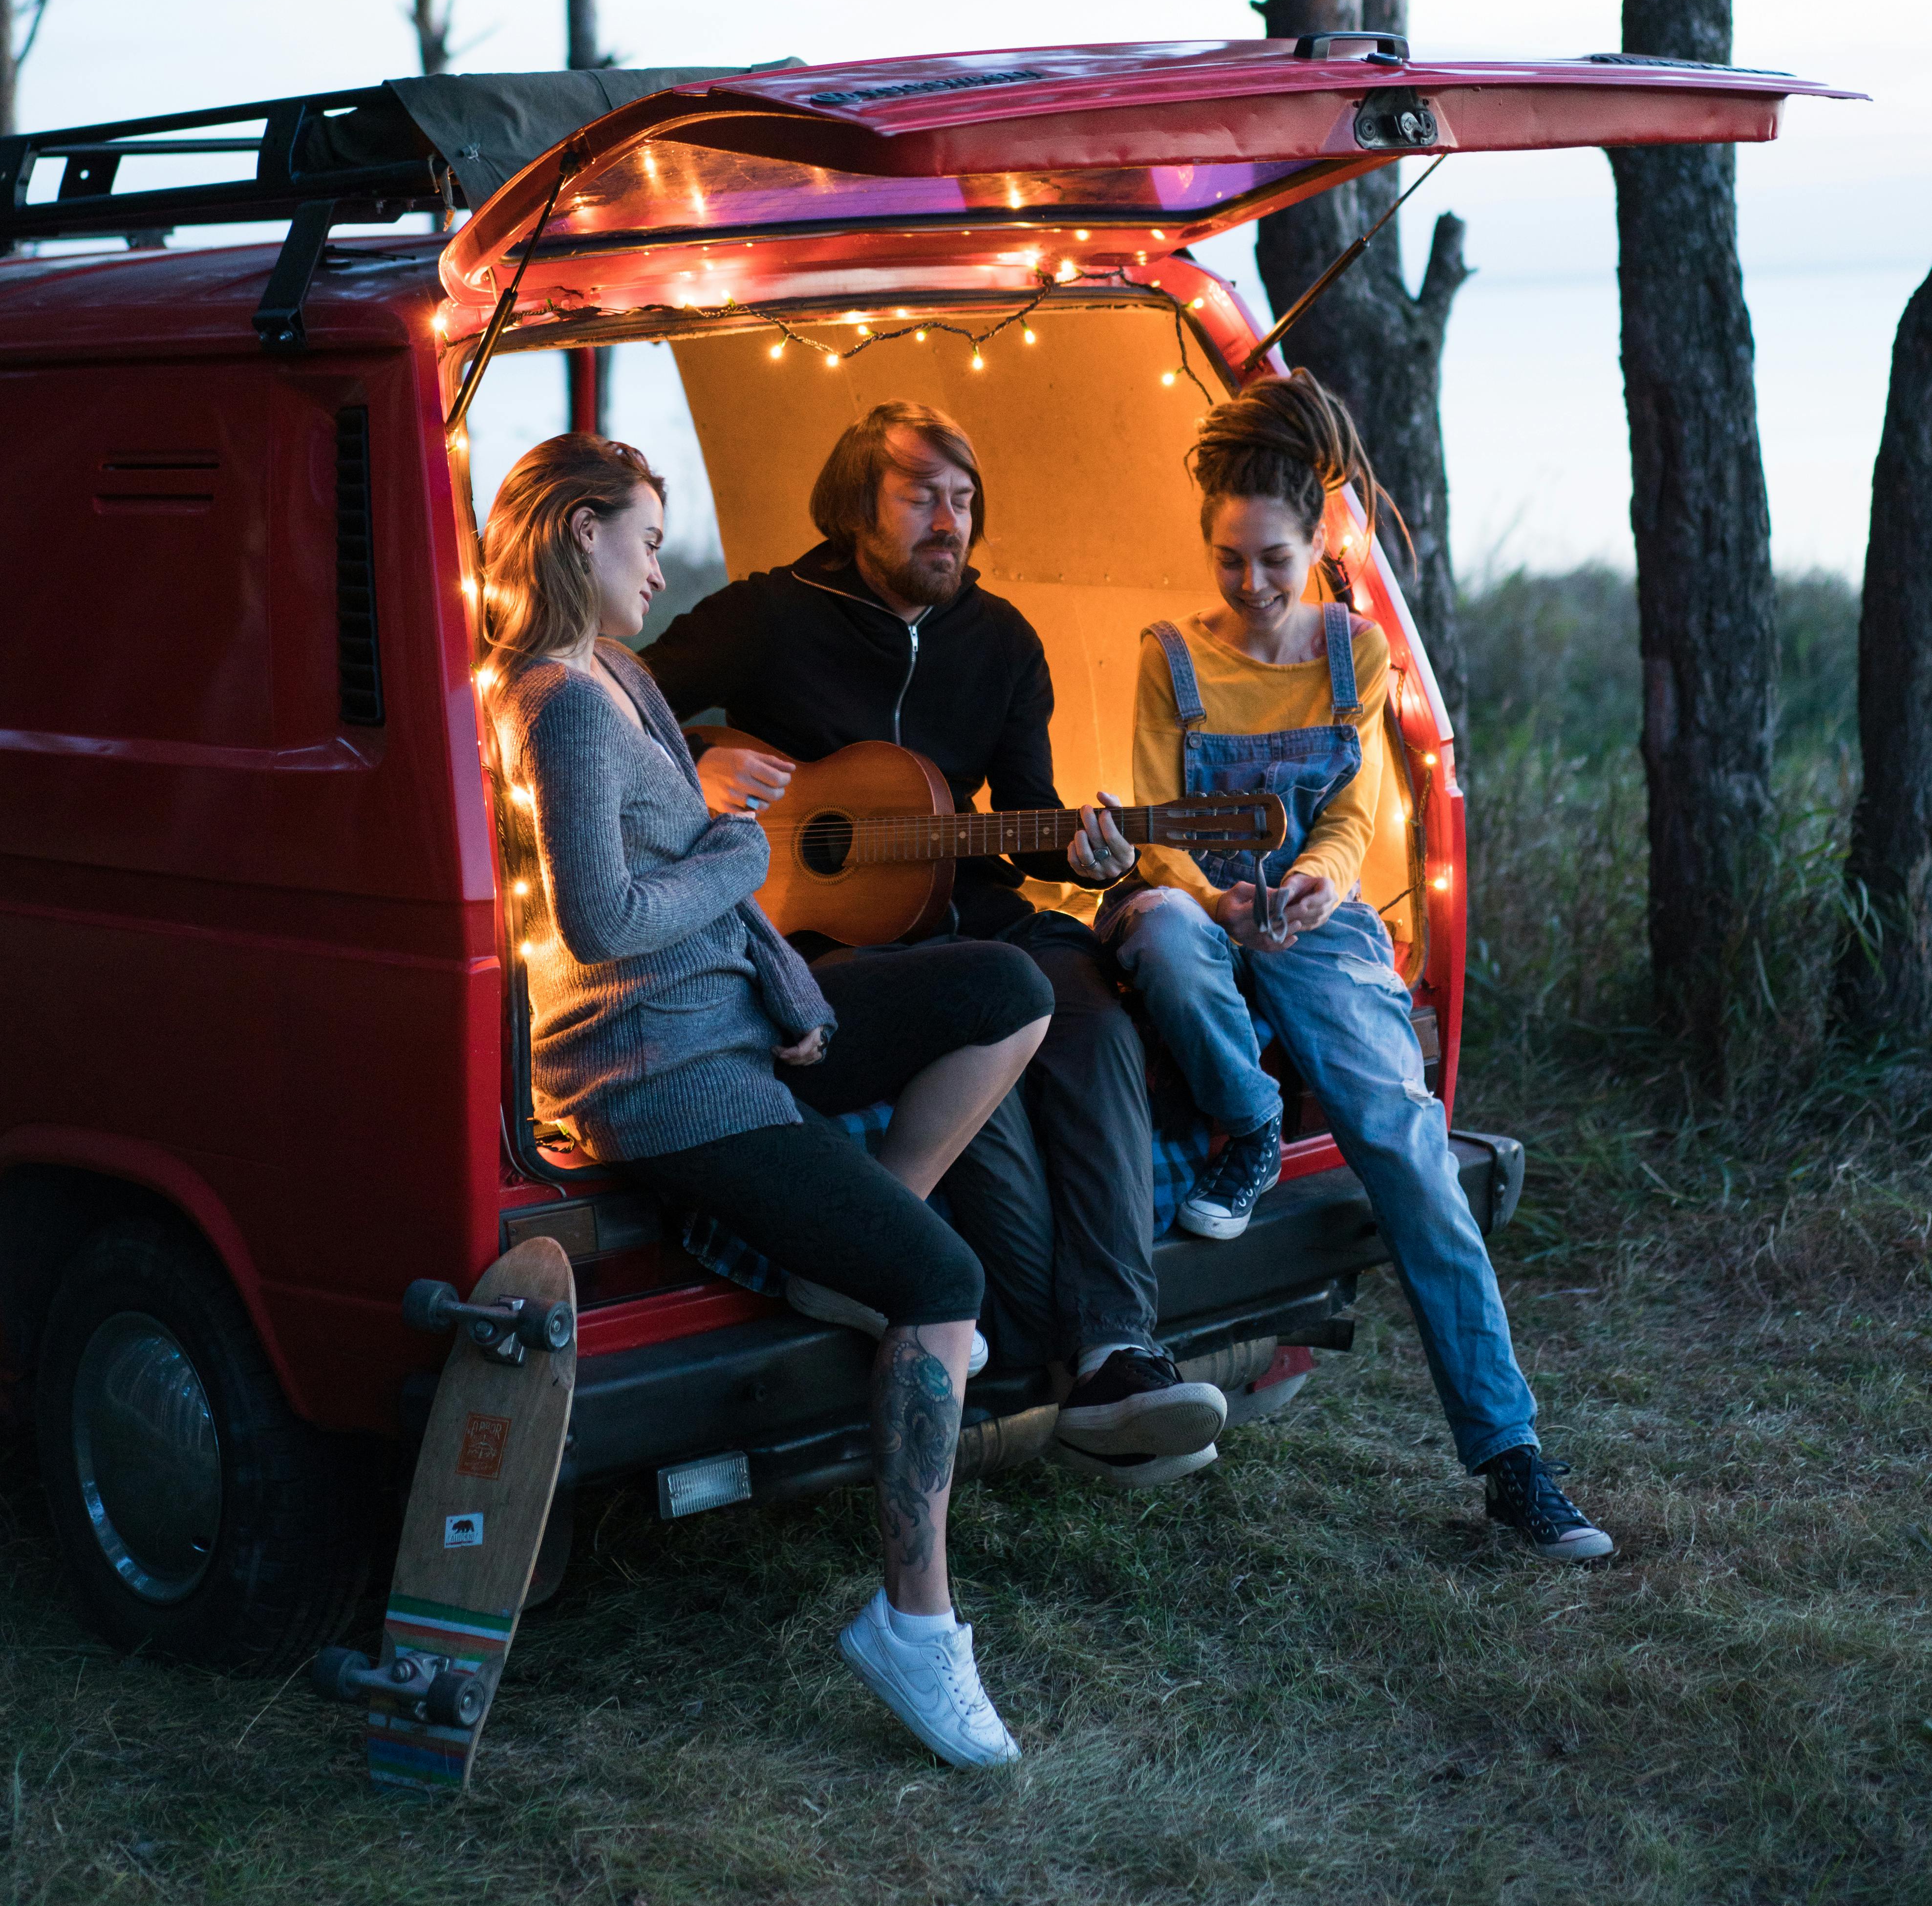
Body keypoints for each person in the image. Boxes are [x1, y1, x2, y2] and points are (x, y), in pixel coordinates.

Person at [481, 432, 1054, 1765]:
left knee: (1005, 990)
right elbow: (607, 919)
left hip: (737, 1025)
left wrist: (792, 987)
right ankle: (915, 1631)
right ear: (580, 537)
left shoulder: (624, 678)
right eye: (644, 535)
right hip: (661, 1074)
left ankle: (838, 1249)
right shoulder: (557, 704)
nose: (660, 560)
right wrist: (743, 862)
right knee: (943, 1285)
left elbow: (697, 868)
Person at [639, 401, 1230, 1490]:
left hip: (977, 910)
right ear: (856, 507)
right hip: (823, 941)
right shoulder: (770, 615)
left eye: (962, 501)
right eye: (921, 497)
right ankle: (997, 1338)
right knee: (984, 1046)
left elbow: (1037, 811)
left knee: (1092, 1006)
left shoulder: (1001, 639)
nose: (948, 523)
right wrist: (701, 772)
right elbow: (614, 705)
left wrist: (1096, 858)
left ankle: (1112, 1355)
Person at [1103, 372, 1614, 1562]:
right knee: (1164, 936)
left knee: (1406, 1147)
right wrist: (1207, 888)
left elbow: (1353, 811)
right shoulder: (1169, 657)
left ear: (1319, 536)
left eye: (1273, 558)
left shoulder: (1361, 652)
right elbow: (1153, 821)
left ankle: (1512, 1461)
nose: (1251, 584)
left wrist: (1323, 882)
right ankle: (1247, 1124)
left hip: (1321, 922)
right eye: (1231, 560)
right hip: (1213, 908)